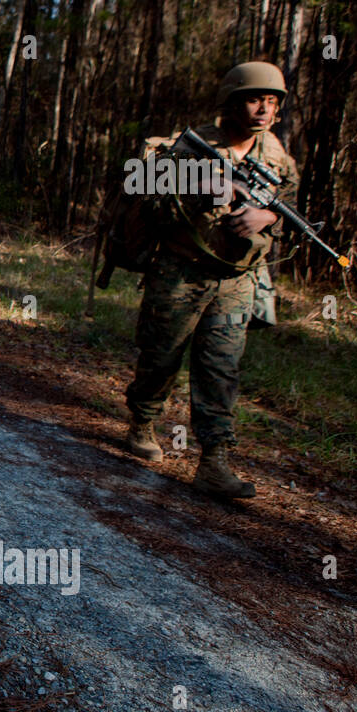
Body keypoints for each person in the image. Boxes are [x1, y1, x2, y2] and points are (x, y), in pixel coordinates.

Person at [124, 61, 299, 499]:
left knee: (221, 369)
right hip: (181, 271)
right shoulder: (192, 146)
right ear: (233, 101)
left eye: (272, 101)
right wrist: (202, 188)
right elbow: (142, 188)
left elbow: (288, 198)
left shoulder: (274, 154)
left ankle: (214, 461)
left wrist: (268, 214)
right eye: (255, 99)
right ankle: (143, 420)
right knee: (161, 356)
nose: (264, 109)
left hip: (237, 279)